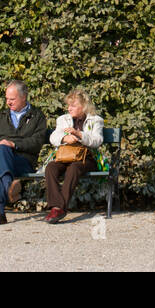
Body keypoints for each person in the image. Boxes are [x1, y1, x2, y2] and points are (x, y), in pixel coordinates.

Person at [0, 80, 47, 226]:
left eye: (12, 99)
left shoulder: (37, 116)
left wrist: (14, 144)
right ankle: (9, 186)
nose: (8, 103)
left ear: (24, 97)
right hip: (1, 157)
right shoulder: (1, 116)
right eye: (7, 99)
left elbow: (37, 142)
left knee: (1, 159)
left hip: (24, 161)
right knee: (1, 150)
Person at [43, 88, 103, 223]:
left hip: (86, 157)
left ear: (84, 107)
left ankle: (57, 208)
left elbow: (97, 140)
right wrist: (65, 139)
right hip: (66, 155)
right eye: (68, 105)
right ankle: (59, 208)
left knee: (74, 168)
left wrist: (79, 135)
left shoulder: (96, 120)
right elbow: (53, 137)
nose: (69, 108)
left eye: (73, 105)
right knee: (51, 168)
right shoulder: (63, 119)